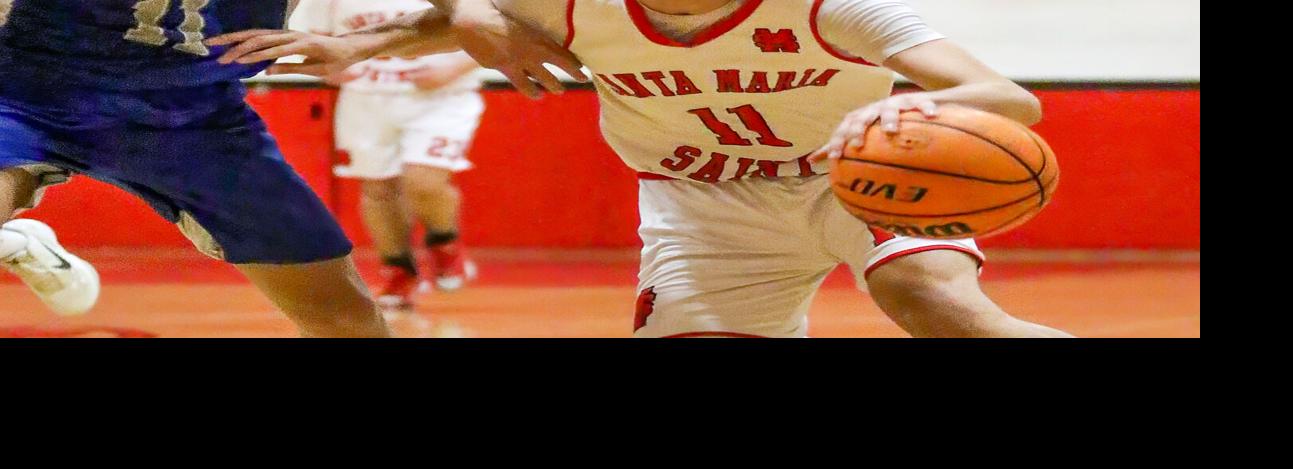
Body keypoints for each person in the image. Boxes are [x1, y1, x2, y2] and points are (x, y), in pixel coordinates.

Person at [216, 0, 1073, 337]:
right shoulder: (571, 5)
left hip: (851, 179)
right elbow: (452, 14)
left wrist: (908, 108)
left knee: (936, 302)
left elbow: (1004, 96)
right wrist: (346, 42)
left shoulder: (830, 5)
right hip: (701, 206)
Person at [0, 0, 392, 336]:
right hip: (27, 91)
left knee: (346, 320)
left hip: (195, 117)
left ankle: (15, 243)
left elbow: (456, 19)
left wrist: (360, 44)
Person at [294, 0, 487, 310]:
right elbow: (316, 43)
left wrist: (455, 67)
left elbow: (498, 29)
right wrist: (326, 67)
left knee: (423, 182)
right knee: (378, 189)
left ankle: (444, 243)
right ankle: (399, 269)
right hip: (367, 98)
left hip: (440, 98)